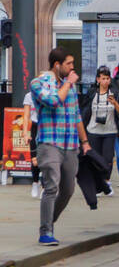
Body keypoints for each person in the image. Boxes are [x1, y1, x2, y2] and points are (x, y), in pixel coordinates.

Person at [31, 49, 92, 245]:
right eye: (69, 64)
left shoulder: (71, 88)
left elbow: (76, 117)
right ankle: (45, 232)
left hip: (70, 144)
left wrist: (85, 142)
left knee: (68, 189)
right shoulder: (39, 83)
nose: (73, 68)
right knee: (52, 186)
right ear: (57, 65)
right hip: (49, 143)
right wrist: (68, 83)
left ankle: (49, 220)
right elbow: (54, 101)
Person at [82, 66, 119, 195]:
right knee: (95, 159)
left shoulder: (115, 93)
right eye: (103, 78)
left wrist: (115, 103)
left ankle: (106, 181)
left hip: (110, 131)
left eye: (107, 78)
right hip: (93, 130)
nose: (105, 81)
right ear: (98, 79)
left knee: (108, 158)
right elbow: (85, 111)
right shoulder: (92, 93)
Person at [21, 87, 40, 199]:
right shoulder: (29, 96)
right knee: (35, 159)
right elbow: (26, 115)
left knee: (48, 158)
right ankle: (35, 182)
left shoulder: (51, 95)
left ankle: (46, 187)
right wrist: (25, 132)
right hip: (35, 126)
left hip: (48, 127)